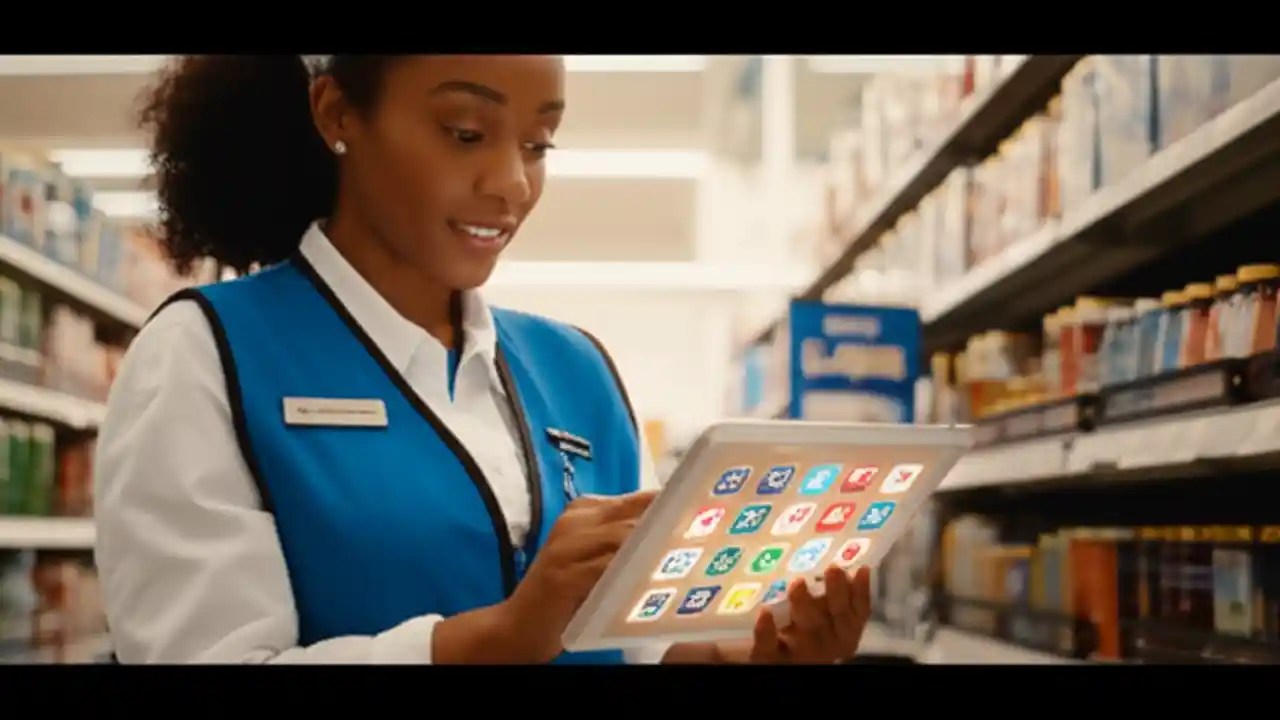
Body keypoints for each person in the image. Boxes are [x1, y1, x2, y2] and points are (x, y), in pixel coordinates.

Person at [93, 54, 871, 664]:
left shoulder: (577, 371)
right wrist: (495, 639)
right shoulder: (208, 355)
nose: (511, 183)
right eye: (466, 133)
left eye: (538, 144)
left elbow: (634, 648)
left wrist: (750, 653)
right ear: (338, 115)